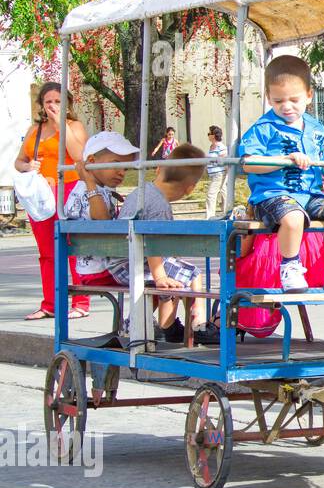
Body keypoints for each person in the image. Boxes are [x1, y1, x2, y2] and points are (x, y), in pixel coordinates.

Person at [237, 55, 324, 293]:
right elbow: (249, 164)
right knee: (293, 217)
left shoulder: (316, 129)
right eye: (279, 100)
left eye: (294, 100)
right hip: (271, 196)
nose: (287, 106)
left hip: (310, 194)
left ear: (309, 96)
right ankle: (290, 267)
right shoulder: (263, 128)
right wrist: (284, 160)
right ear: (269, 98)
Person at [66, 134, 207, 343]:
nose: (121, 172)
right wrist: (89, 182)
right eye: (116, 164)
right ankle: (193, 324)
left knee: (173, 274)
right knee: (181, 275)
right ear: (92, 163)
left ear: (158, 169)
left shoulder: (127, 192)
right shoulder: (87, 190)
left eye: (125, 168)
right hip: (105, 265)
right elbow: (102, 219)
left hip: (116, 258)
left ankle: (164, 325)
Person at [13, 82, 90, 319]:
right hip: (42, 194)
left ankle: (81, 302)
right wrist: (27, 166)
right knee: (47, 251)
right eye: (48, 102)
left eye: (58, 101)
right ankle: (50, 304)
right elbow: (19, 160)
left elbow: (80, 156)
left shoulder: (73, 126)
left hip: (69, 189)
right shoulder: (34, 130)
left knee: (73, 248)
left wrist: (60, 125)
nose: (53, 106)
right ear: (41, 105)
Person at [205, 126, 230, 218]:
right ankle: (227, 213)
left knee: (211, 194)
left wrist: (227, 174)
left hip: (219, 173)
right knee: (224, 193)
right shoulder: (212, 146)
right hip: (214, 174)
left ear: (213, 135)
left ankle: (209, 216)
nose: (208, 136)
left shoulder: (221, 147)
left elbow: (225, 160)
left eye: (209, 134)